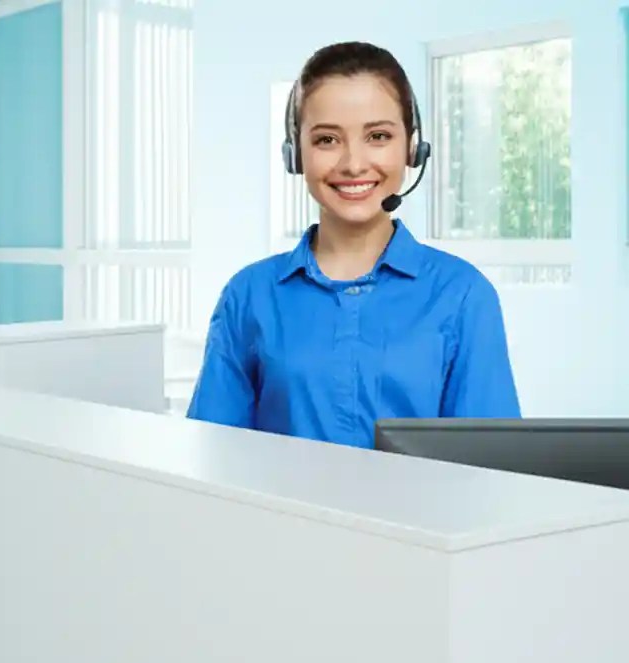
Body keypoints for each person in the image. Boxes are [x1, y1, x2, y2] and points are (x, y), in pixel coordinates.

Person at [185, 41, 521, 449]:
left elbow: (489, 471)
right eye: (327, 140)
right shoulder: (248, 295)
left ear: (413, 148)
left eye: (378, 136)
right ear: (295, 155)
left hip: (418, 515)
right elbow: (213, 458)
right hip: (279, 515)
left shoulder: (463, 295)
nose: (354, 164)